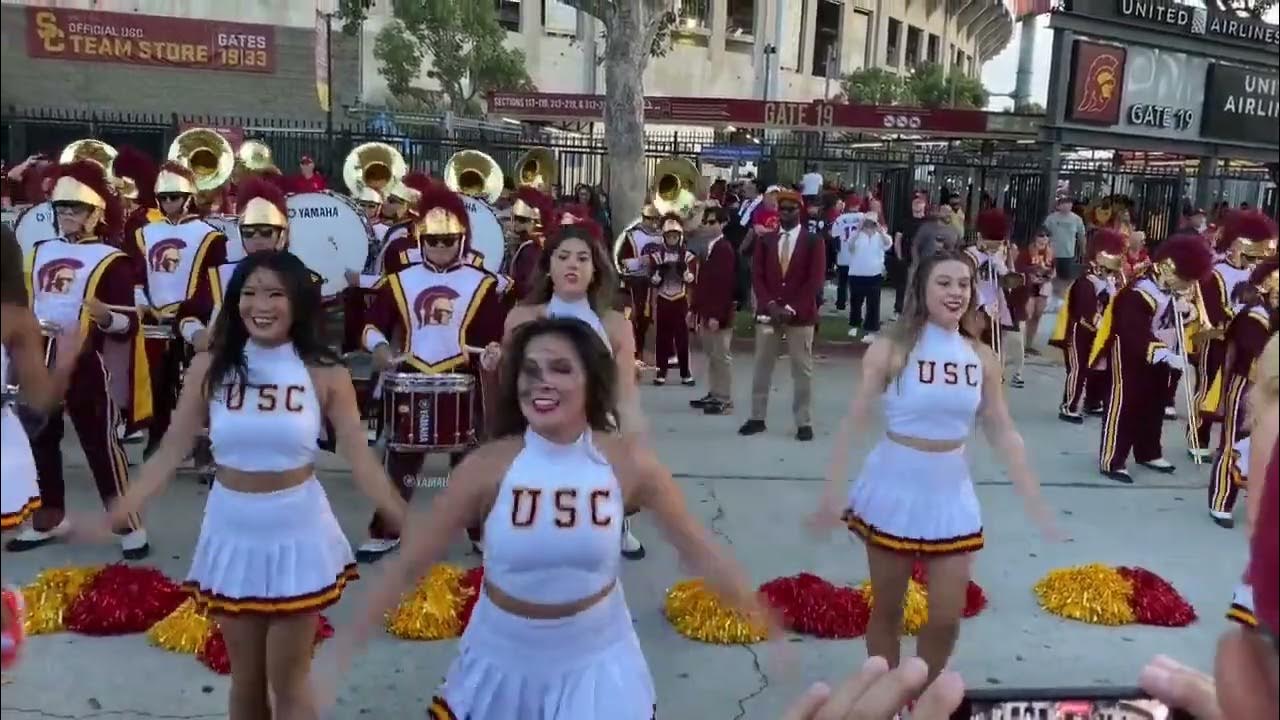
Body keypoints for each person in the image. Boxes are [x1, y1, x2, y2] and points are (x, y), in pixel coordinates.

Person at [327, 317, 779, 720]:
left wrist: (768, 627)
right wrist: (344, 648)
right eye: (531, 371)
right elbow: (412, 561)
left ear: (591, 382)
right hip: (501, 655)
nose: (542, 383)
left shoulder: (629, 465)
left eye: (561, 369)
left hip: (596, 660)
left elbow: (698, 547)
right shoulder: (487, 467)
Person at [82, 250, 406, 718]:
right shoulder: (210, 367)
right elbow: (170, 452)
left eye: (275, 294)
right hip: (231, 529)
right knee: (246, 681)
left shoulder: (324, 371)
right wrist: (120, 511)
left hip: (297, 530)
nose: (261, 305)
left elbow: (360, 459)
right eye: (250, 293)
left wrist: (405, 518)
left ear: (298, 302)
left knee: (288, 682)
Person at [809, 249, 1055, 686]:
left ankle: (923, 698)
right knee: (889, 611)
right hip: (894, 488)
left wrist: (1034, 496)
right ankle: (885, 700)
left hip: (951, 494)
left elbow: (1001, 427)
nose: (956, 292)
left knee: (945, 618)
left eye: (964, 284)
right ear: (921, 289)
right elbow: (856, 418)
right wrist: (832, 490)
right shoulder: (891, 349)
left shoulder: (981, 357)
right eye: (944, 283)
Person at [5, 160, 152, 559]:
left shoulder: (112, 259)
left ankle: (127, 523)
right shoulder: (38, 251)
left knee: (100, 443)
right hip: (38, 356)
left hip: (86, 359)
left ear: (95, 213)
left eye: (76, 208)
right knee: (38, 441)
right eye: (62, 207)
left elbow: (128, 323)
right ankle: (49, 518)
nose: (67, 214)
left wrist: (105, 316)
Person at [359, 185, 505, 562]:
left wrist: (494, 353)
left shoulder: (482, 282)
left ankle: (481, 530)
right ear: (421, 239)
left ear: (462, 240)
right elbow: (372, 325)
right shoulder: (401, 279)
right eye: (433, 240)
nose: (440, 247)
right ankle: (387, 528)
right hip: (412, 375)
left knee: (470, 462)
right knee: (402, 458)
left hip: (463, 377)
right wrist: (379, 347)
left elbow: (495, 336)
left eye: (448, 240)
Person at [499, 223, 648, 559]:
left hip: (595, 428)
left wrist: (631, 442)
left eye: (582, 258)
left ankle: (614, 518)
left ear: (595, 270)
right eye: (563, 256)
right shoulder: (521, 317)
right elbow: (510, 385)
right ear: (548, 266)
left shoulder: (616, 324)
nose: (572, 265)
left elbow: (625, 392)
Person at [1092, 234, 1215, 483]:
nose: (1188, 285)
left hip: (1162, 355)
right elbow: (1132, 330)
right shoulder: (1138, 292)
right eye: (1185, 279)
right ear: (1168, 268)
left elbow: (1170, 320)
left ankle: (1148, 452)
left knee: (1155, 405)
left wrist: (1188, 314)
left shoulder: (1169, 290)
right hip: (1131, 354)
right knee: (1125, 404)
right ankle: (1113, 459)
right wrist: (1162, 352)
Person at [134, 161, 228, 456]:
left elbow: (214, 283)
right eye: (162, 197)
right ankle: (158, 438)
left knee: (198, 387)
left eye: (173, 197)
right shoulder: (145, 233)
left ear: (188, 198)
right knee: (156, 384)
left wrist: (199, 320)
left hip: (194, 320)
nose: (167, 203)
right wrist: (140, 301)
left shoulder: (211, 235)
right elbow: (138, 274)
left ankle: (202, 444)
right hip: (155, 319)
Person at [2, 225, 85, 531]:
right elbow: (40, 401)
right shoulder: (17, 319)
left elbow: (38, 402)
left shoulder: (17, 320)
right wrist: (64, 363)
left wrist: (62, 365)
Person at [740, 189, 828, 442]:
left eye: (791, 209)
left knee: (802, 370)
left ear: (799, 211)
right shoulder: (766, 241)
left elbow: (815, 280)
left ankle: (804, 422)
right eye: (782, 209)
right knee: (762, 367)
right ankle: (757, 417)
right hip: (769, 314)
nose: (786, 213)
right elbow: (757, 275)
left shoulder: (813, 241)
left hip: (799, 316)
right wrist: (769, 304)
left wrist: (792, 308)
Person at [1191, 211, 1277, 460]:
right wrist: (1241, 312)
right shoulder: (1216, 272)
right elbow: (1212, 310)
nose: (1255, 261)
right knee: (1209, 387)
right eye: (1251, 255)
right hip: (1217, 338)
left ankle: (1231, 440)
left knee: (1238, 395)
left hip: (1244, 339)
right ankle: (1198, 436)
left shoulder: (1260, 274)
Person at [178, 177, 295, 354]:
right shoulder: (220, 275)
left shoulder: (298, 277)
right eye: (249, 232)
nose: (257, 239)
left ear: (282, 233)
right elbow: (188, 314)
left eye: (266, 232)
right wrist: (197, 334)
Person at [1206, 260, 1277, 529]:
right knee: (1234, 444)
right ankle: (1221, 500)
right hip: (1247, 387)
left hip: (1273, 389)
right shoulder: (1253, 317)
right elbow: (1255, 357)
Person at [1051, 229, 1124, 423]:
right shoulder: (1085, 282)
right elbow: (1086, 314)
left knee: (1101, 367)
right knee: (1079, 369)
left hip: (1100, 332)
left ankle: (1092, 401)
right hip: (1079, 331)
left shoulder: (1111, 282)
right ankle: (1069, 406)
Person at [966, 210, 1025, 388]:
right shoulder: (969, 254)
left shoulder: (999, 254)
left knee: (994, 349)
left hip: (994, 308)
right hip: (974, 308)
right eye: (993, 243)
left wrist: (1006, 271)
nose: (996, 247)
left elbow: (1008, 281)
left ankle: (992, 383)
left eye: (998, 244)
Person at [690, 206, 736, 416]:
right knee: (712, 355)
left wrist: (717, 315)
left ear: (723, 224)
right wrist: (694, 309)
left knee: (721, 356)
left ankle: (724, 398)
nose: (707, 226)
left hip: (719, 313)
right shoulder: (709, 246)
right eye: (705, 222)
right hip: (706, 310)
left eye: (712, 222)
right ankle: (715, 392)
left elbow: (724, 285)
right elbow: (703, 283)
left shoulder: (724, 248)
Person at [644, 214, 699, 386]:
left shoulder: (688, 257)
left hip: (680, 299)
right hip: (663, 299)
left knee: (682, 337)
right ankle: (661, 372)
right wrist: (659, 274)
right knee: (662, 337)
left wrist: (684, 272)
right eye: (669, 236)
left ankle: (685, 372)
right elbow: (652, 281)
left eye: (675, 236)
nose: (672, 239)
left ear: (680, 237)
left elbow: (692, 280)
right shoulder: (656, 257)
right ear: (664, 237)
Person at [843, 211, 893, 343]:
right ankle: (854, 324)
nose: (869, 225)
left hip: (874, 274)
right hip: (856, 273)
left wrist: (881, 232)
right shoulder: (856, 235)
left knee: (873, 304)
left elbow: (888, 244)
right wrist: (858, 229)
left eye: (872, 222)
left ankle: (871, 329)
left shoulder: (880, 236)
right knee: (856, 302)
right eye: (867, 222)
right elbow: (850, 246)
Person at [1018, 226, 1056, 355]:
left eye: (1047, 236)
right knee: (1027, 315)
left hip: (1044, 285)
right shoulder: (1027, 251)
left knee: (1037, 316)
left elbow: (1054, 268)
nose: (1044, 238)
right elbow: (1020, 267)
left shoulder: (1050, 252)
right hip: (1030, 285)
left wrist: (1050, 274)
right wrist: (1033, 270)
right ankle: (1021, 345)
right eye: (1041, 235)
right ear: (1035, 237)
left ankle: (1029, 345)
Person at [891, 195, 928, 317]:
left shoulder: (928, 223)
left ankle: (919, 311)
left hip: (923, 259)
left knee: (921, 285)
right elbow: (897, 239)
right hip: (906, 258)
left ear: (924, 205)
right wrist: (899, 255)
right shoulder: (904, 221)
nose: (917, 204)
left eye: (920, 202)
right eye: (915, 202)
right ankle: (898, 310)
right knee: (902, 285)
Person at [1042, 196, 1086, 291]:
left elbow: (1081, 236)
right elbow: (1044, 234)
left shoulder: (1077, 219)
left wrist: (1083, 252)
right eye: (1064, 202)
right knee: (1049, 279)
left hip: (1068, 255)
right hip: (1051, 255)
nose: (1067, 205)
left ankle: (1061, 295)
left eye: (1069, 202)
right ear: (1058, 205)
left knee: (1065, 280)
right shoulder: (1051, 218)